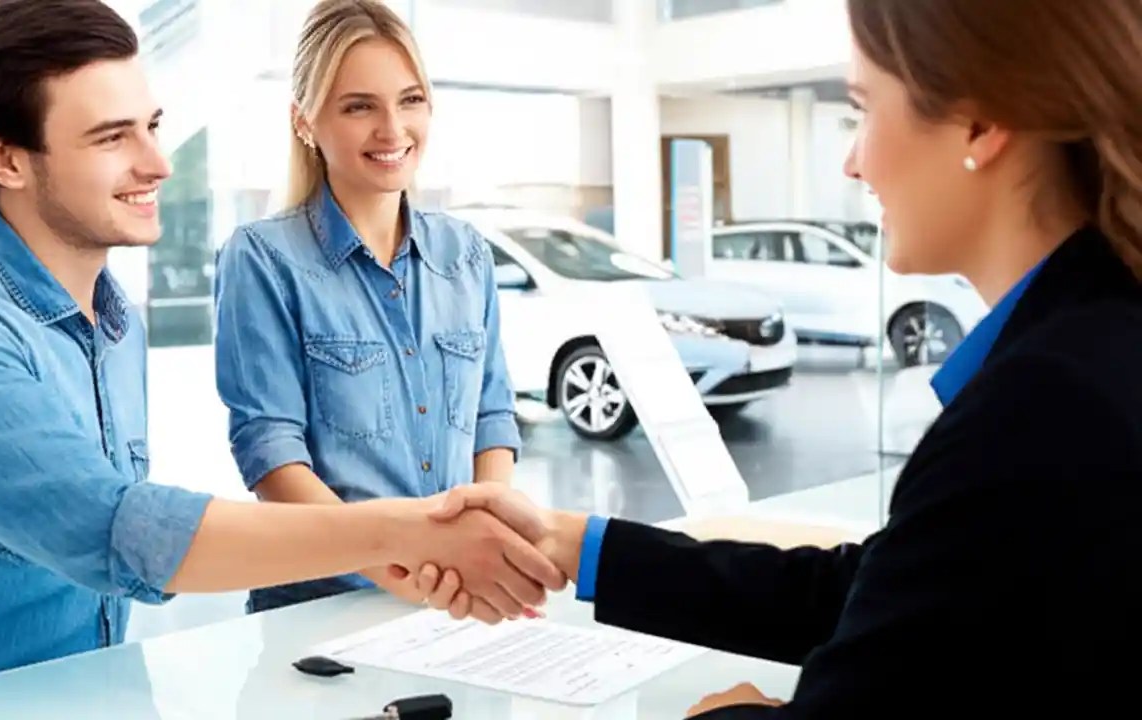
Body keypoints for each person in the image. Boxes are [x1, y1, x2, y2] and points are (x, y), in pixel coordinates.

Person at [433, 0, 1142, 716]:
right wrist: (580, 544)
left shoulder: (1045, 406)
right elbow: (890, 590)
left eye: (861, 109)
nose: (853, 160)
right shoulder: (1092, 347)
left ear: (981, 124)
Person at [0, 0, 562, 702]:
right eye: (112, 138)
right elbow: (117, 528)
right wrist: (418, 536)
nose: (159, 164)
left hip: (88, 692)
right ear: (3, 158)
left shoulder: (109, 323)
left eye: (153, 127)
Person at [212, 0, 522, 617]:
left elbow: (492, 415)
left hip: (454, 600)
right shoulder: (262, 259)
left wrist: (483, 543)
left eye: (410, 101)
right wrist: (399, 565)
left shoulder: (465, 253)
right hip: (319, 608)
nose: (392, 130)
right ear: (304, 121)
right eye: (359, 106)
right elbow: (271, 454)